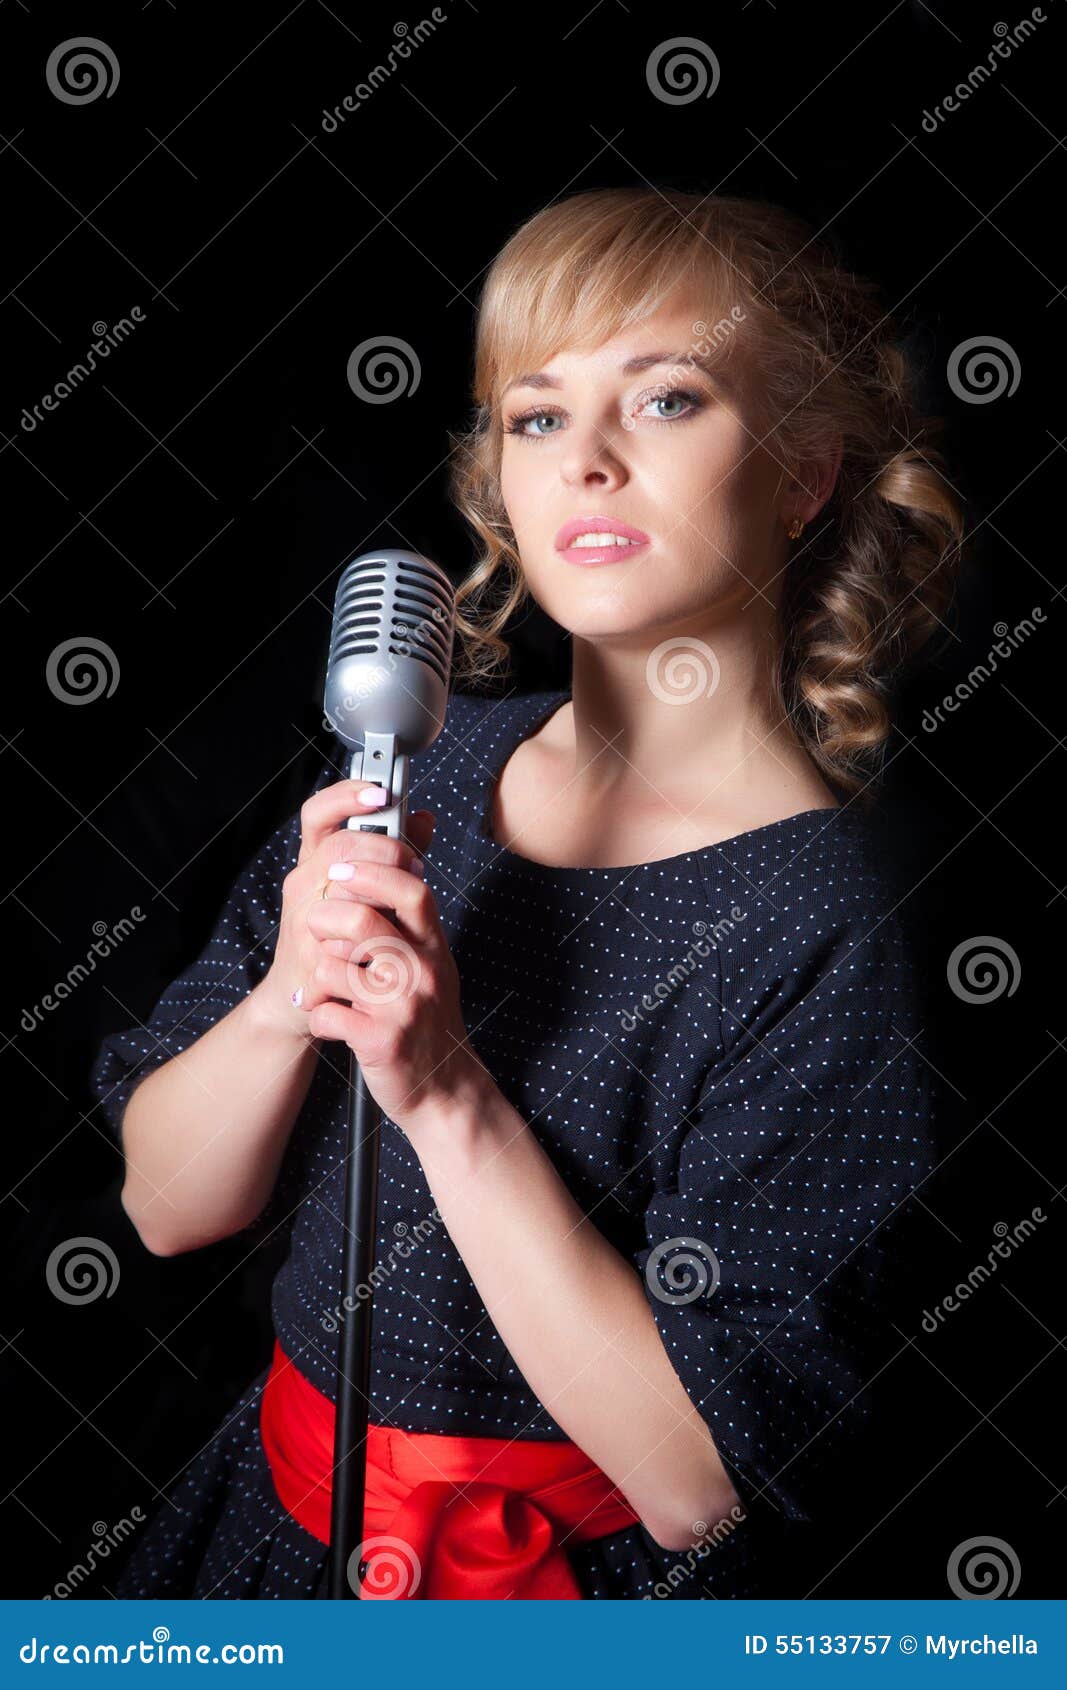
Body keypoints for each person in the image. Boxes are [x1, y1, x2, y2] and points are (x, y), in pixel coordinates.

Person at [88, 185, 965, 1599]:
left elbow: (699, 1485)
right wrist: (281, 999)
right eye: (539, 416)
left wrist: (443, 1093)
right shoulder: (428, 759)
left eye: (668, 399)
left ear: (805, 470)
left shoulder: (830, 922)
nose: (587, 464)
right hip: (271, 1540)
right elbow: (164, 1208)